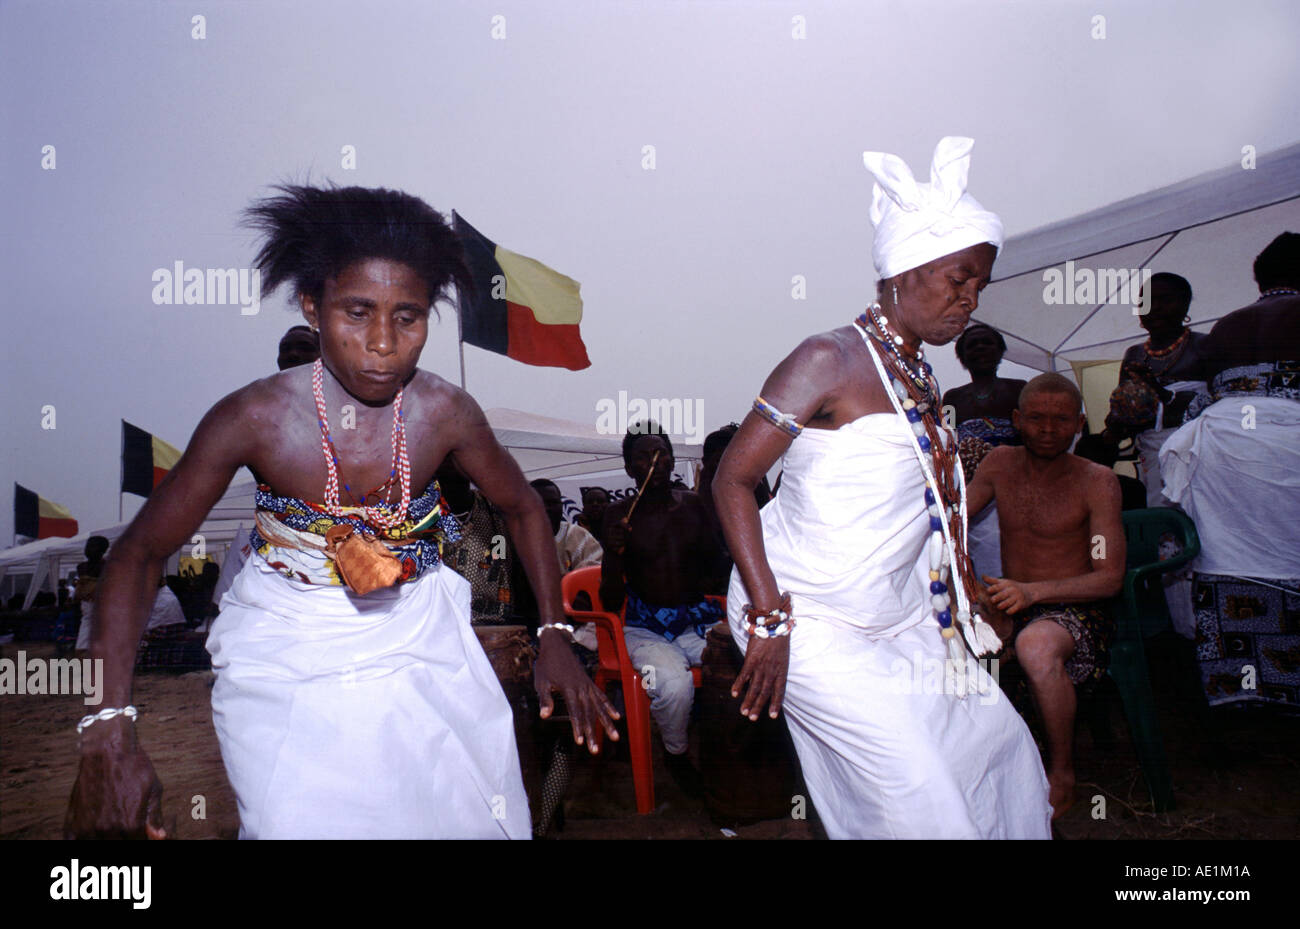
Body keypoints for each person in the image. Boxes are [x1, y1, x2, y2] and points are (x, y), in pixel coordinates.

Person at [65, 183, 618, 840]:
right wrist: (107, 735)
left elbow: (522, 505)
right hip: (285, 645)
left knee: (465, 814)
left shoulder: (445, 414)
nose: (382, 343)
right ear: (312, 306)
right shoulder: (254, 418)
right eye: (358, 312)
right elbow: (139, 552)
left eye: (407, 317)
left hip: (421, 636)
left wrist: (553, 632)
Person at [713, 137, 1051, 838]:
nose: (970, 298)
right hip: (806, 614)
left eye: (980, 284)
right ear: (901, 270)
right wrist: (769, 619)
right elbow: (733, 479)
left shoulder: (921, 375)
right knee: (917, 791)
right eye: (957, 277)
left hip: (900, 619)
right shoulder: (825, 359)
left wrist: (964, 599)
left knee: (1002, 749)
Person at [966, 373, 1125, 817]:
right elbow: (951, 521)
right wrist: (974, 589)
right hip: (1013, 601)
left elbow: (1109, 577)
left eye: (1061, 420)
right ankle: (970, 767)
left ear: (1079, 423)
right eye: (1036, 418)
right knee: (939, 636)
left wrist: (1033, 593)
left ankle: (1061, 769)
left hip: (1077, 609)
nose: (1048, 430)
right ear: (1017, 419)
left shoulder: (1097, 480)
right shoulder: (999, 463)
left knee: (1035, 646)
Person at [1160, 231, 1300, 707]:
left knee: (1231, 561)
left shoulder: (1228, 326)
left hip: (1225, 452)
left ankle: (1245, 688)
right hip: (1289, 442)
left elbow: (1201, 399)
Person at [600, 422, 728, 796]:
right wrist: (612, 551)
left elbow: (717, 568)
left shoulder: (692, 505)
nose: (655, 462)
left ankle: (733, 753)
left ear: (673, 461)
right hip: (644, 629)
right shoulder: (617, 516)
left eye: (662, 454)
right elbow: (609, 601)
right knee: (672, 685)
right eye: (643, 456)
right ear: (629, 468)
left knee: (743, 660)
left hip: (694, 621)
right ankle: (676, 751)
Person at [1102, 273, 1208, 505]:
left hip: (1200, 454)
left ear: (1184, 304)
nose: (1155, 308)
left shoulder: (1204, 346)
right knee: (1165, 525)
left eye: (1165, 299)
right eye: (1147, 301)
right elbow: (1121, 418)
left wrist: (1162, 395)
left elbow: (1218, 405)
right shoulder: (1134, 354)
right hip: (1152, 457)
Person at [942, 322, 1027, 580]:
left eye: (987, 342)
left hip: (1017, 484)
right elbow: (948, 441)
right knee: (985, 551)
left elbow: (1032, 435)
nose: (980, 348)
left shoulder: (1019, 389)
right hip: (975, 488)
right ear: (962, 357)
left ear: (1001, 351)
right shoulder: (953, 398)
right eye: (972, 345)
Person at [530, 479, 603, 573]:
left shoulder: (578, 534)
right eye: (539, 503)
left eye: (553, 503)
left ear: (561, 505)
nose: (547, 508)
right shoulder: (508, 539)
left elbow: (595, 573)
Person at [73, 536, 111, 653]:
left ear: (102, 551)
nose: (88, 550)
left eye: (93, 547)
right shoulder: (82, 567)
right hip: (88, 604)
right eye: (87, 547)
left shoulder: (107, 566)